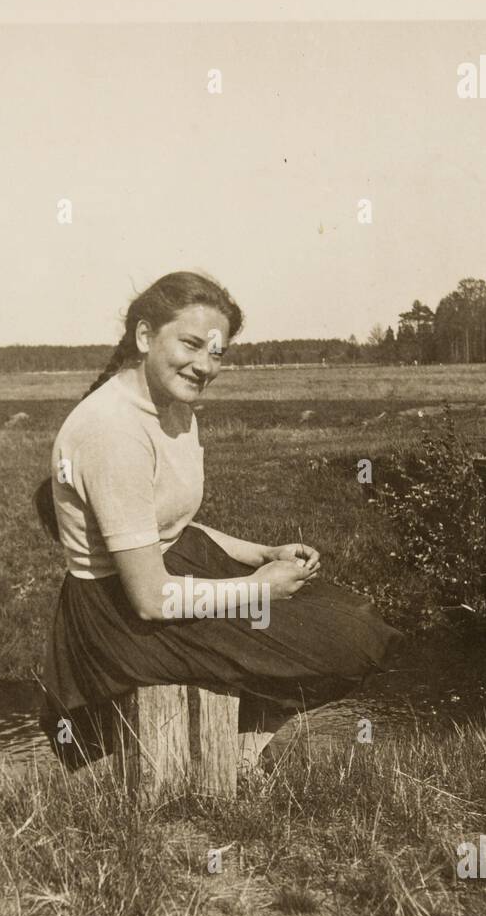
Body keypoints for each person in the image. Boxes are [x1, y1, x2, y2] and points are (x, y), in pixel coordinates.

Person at [36, 270, 404, 765]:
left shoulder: (174, 409)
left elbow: (168, 524)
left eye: (217, 352)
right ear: (145, 336)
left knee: (355, 615)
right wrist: (261, 588)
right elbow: (148, 598)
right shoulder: (112, 431)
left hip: (168, 570)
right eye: (191, 344)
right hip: (116, 616)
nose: (204, 366)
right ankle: (230, 755)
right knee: (347, 643)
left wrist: (263, 554)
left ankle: (238, 749)